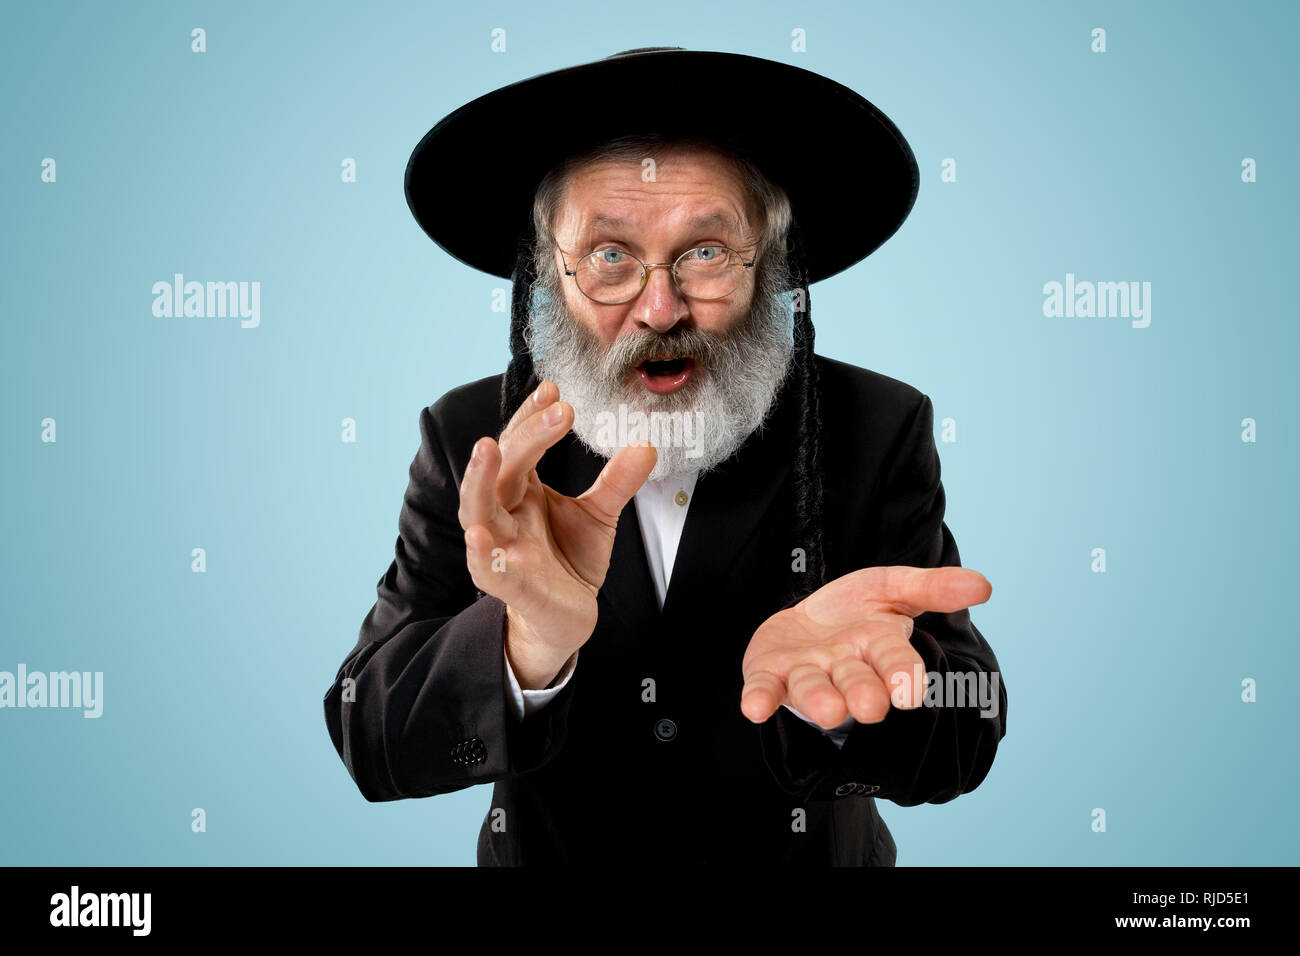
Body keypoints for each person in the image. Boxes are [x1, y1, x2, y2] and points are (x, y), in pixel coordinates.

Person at [323, 47, 1007, 865]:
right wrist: (523, 649)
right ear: (553, 274)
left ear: (771, 267)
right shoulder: (474, 436)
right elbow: (369, 733)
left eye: (706, 254)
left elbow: (972, 727)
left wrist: (845, 703)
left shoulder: (877, 424)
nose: (659, 307)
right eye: (610, 256)